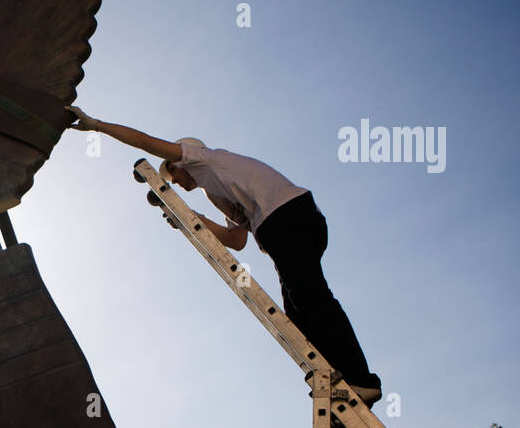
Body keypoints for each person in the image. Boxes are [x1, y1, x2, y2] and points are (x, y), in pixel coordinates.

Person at [67, 105, 382, 407]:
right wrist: (192, 221)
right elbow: (237, 239)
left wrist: (96, 125)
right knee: (299, 311)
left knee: (311, 297)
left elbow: (146, 142)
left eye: (172, 171)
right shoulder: (215, 189)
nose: (173, 179)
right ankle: (338, 379)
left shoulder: (202, 159)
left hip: (287, 217)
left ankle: (361, 379)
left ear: (181, 161)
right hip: (284, 226)